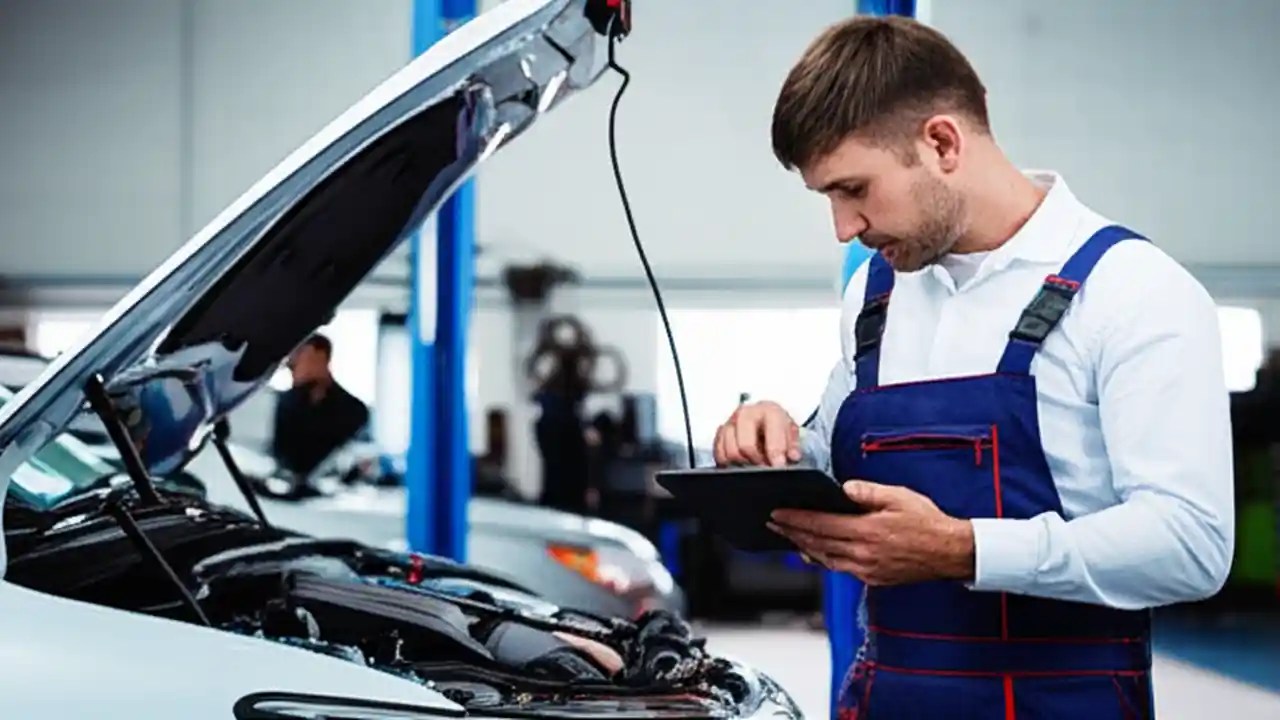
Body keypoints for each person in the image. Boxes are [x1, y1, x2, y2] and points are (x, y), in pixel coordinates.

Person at [713, 16, 1233, 719]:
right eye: (828, 198)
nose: (844, 228)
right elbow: (839, 461)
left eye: (854, 188)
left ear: (942, 143)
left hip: (1065, 701)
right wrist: (777, 446)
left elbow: (1191, 544)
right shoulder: (878, 292)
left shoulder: (1134, 291)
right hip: (885, 695)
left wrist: (963, 549)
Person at [270, 333, 370, 479]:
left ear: (321, 356)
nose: (293, 362)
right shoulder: (286, 404)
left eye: (300, 355)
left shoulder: (355, 410)